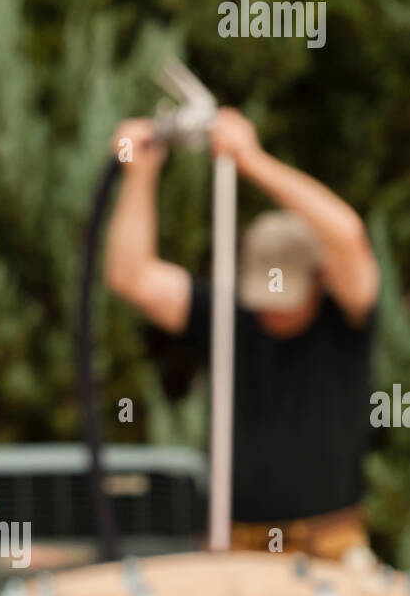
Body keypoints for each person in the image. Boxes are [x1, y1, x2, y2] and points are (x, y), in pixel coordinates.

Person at [104, 108, 380, 559]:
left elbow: (348, 235)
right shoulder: (227, 315)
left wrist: (252, 160)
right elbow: (130, 275)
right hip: (235, 542)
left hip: (330, 541)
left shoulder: (347, 317)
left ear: (319, 278)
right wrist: (141, 173)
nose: (274, 313)